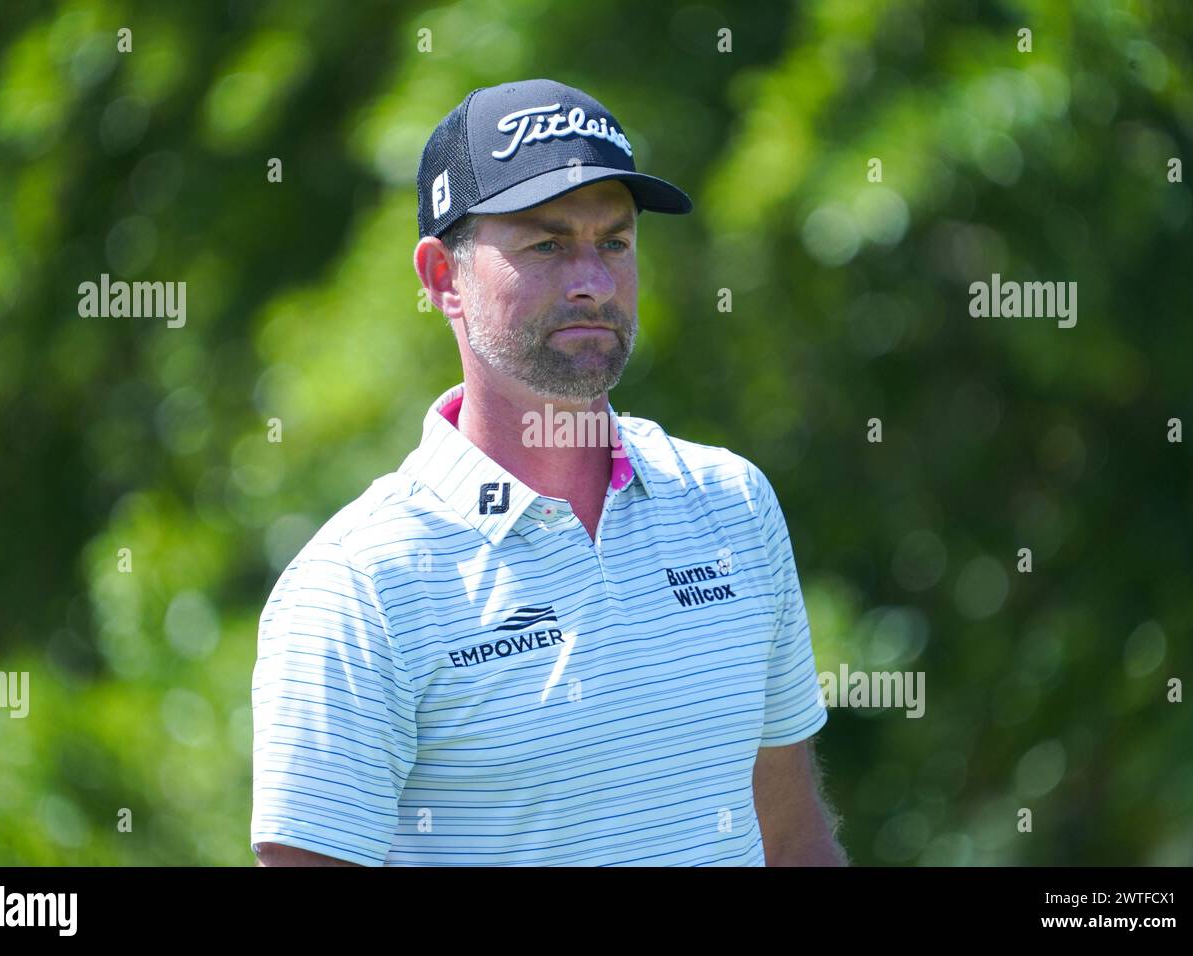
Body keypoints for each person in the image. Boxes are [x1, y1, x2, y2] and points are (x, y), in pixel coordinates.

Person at [251, 78, 846, 866]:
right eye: (546, 244)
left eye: (615, 241)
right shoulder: (358, 583)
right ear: (441, 279)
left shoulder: (732, 505)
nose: (592, 282)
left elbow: (792, 837)